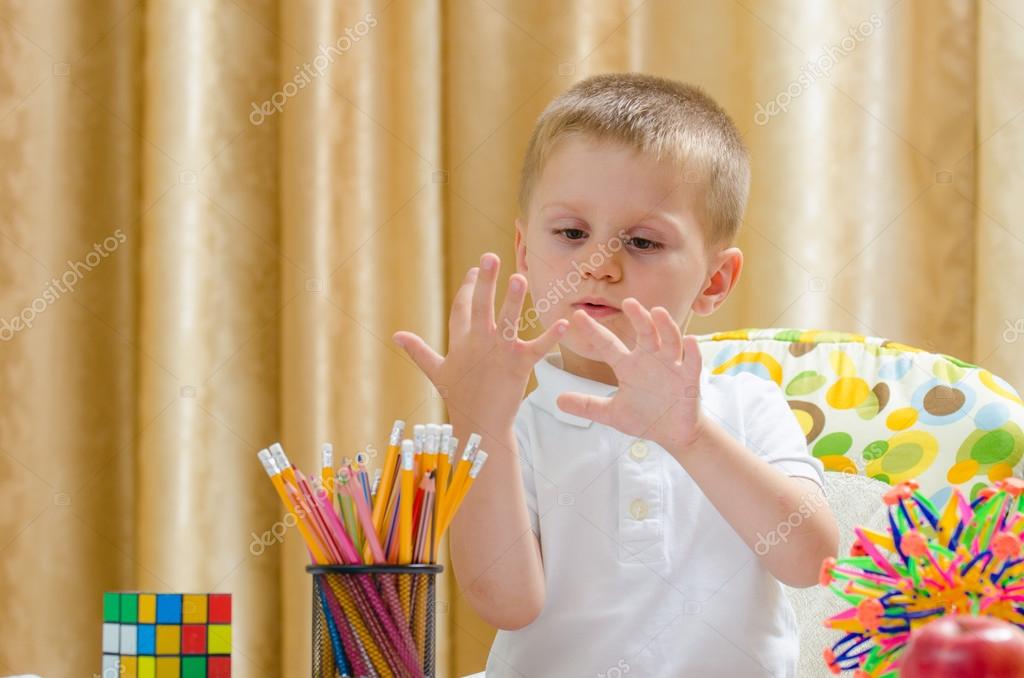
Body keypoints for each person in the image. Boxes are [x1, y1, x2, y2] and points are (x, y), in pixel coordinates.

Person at [394, 72, 838, 677]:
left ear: (715, 280)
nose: (598, 265)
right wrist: (478, 423)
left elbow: (813, 562)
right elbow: (505, 604)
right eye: (572, 234)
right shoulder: (516, 429)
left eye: (643, 242)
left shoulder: (746, 403)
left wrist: (689, 436)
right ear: (526, 252)